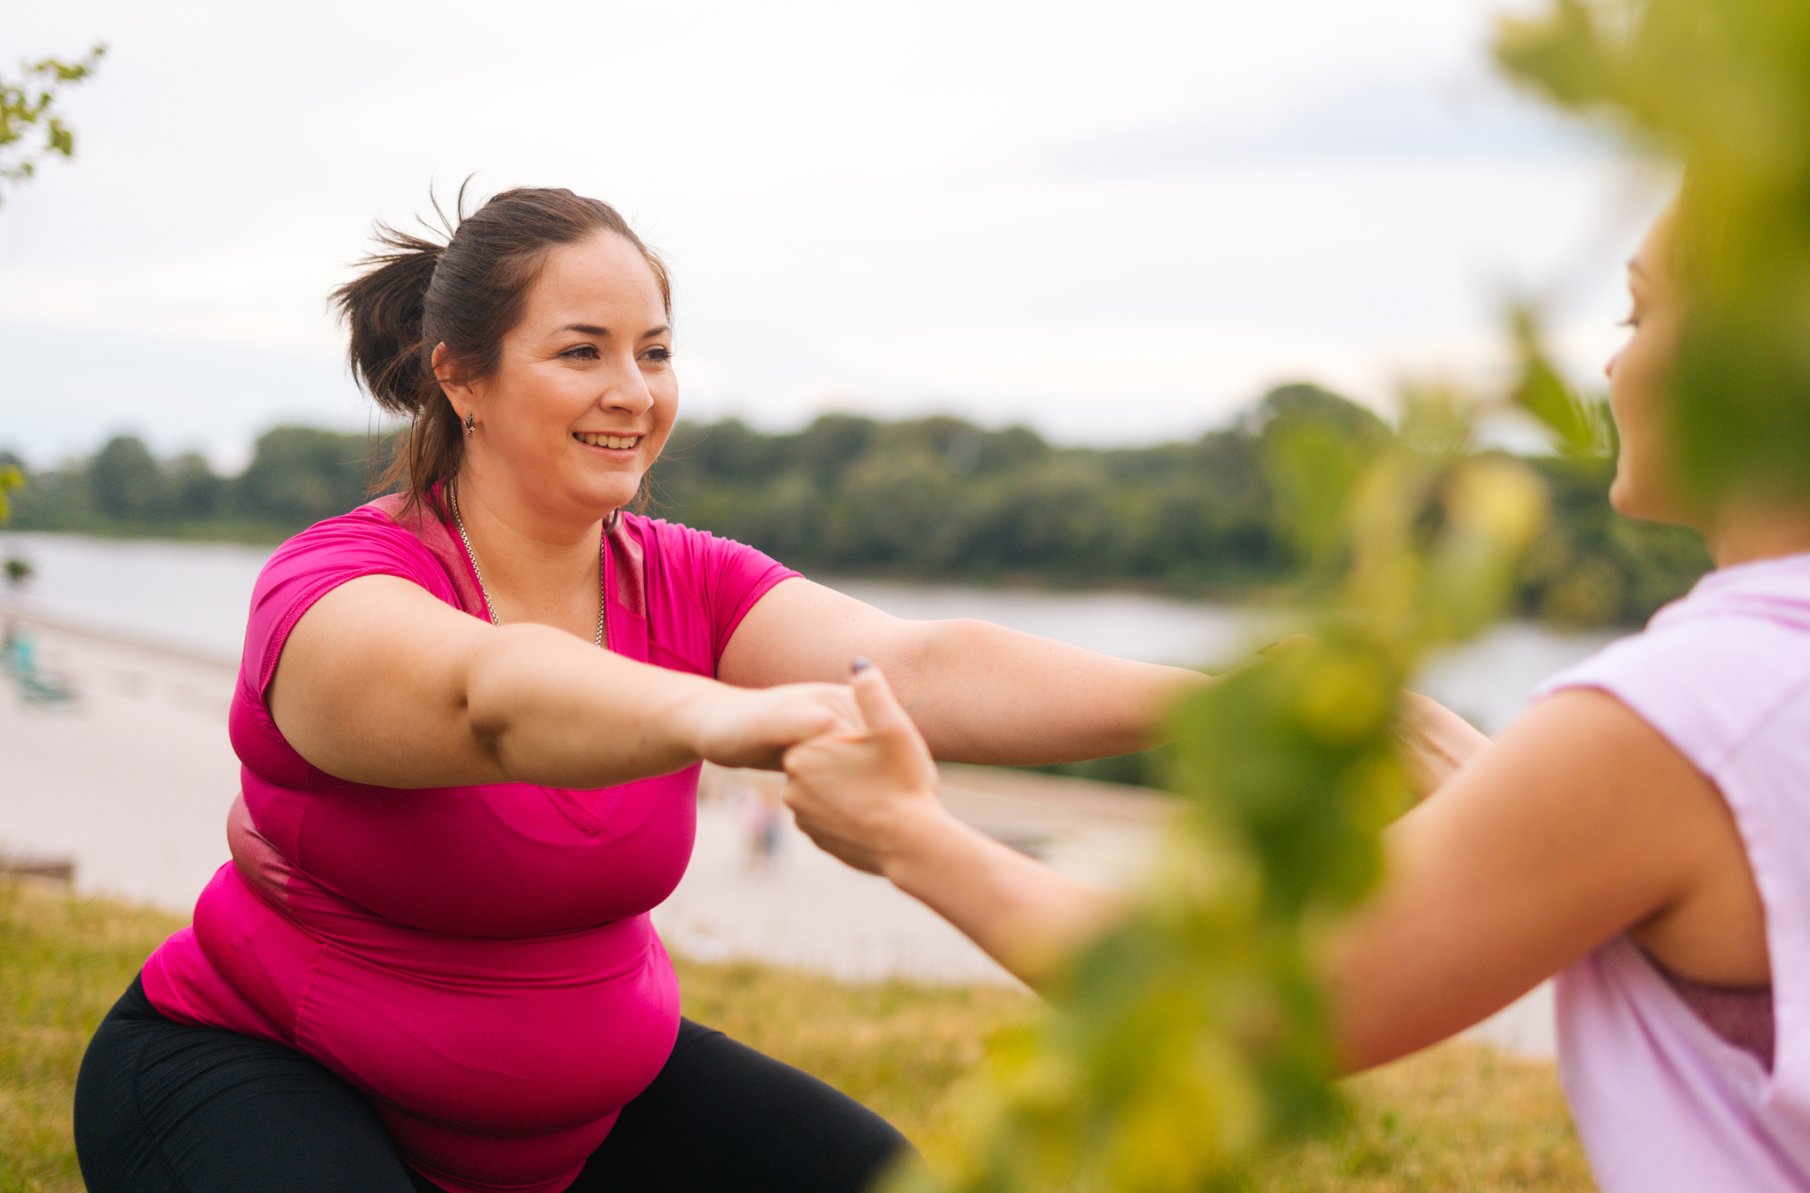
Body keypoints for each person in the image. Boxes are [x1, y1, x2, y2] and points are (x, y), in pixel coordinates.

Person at [780, 202, 1810, 1190]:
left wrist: (910, 831)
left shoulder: (1707, 704)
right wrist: (1504, 781)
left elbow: (1239, 1013)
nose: (1608, 362)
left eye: (1643, 314)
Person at [71, 187, 1202, 1193]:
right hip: (259, 1068)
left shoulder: (685, 578)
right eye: (582, 352)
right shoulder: (335, 588)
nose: (634, 393)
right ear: (459, 374)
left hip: (585, 1116)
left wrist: (1227, 701)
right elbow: (492, 695)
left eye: (654, 353)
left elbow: (917, 667)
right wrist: (726, 713)